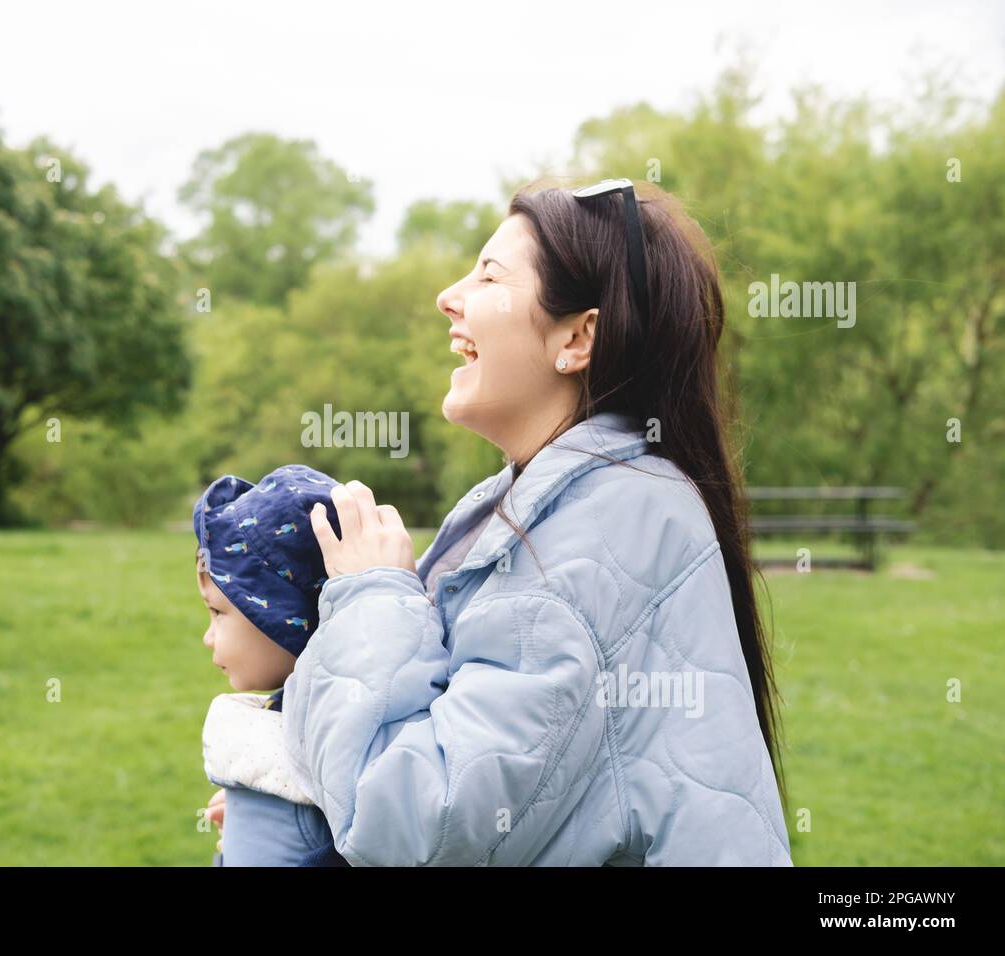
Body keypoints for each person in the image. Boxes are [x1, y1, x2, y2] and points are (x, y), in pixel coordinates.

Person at [274, 178, 794, 865]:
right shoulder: (583, 503)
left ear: (578, 337)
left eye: (489, 275)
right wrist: (294, 808)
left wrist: (371, 594)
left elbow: (415, 822)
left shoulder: (597, 533)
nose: (447, 296)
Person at [192, 464, 350, 866]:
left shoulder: (316, 742)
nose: (208, 637)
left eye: (218, 613)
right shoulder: (350, 711)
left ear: (281, 615)